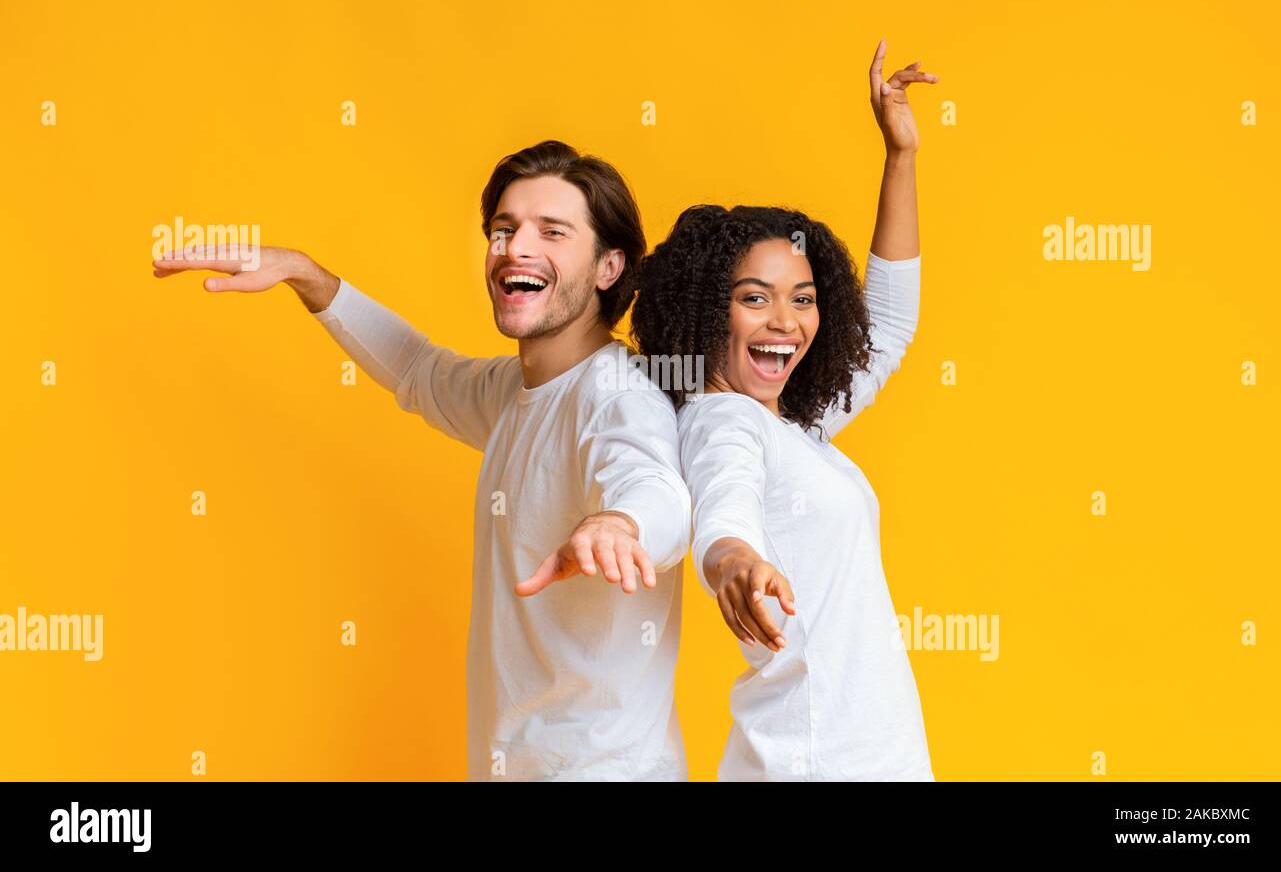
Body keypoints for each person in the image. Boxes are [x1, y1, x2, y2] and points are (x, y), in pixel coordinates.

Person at [152, 140, 693, 781]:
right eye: (504, 229)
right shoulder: (515, 393)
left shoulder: (617, 393)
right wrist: (307, 275)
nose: (517, 247)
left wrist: (623, 524)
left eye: (552, 231)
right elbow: (417, 369)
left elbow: (655, 483)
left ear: (608, 267)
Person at [629, 40, 939, 780]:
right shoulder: (723, 420)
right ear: (706, 310)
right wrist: (732, 559)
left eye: (803, 299)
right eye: (754, 298)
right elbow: (724, 502)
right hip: (817, 761)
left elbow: (889, 328)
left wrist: (900, 156)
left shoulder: (789, 428)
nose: (787, 321)